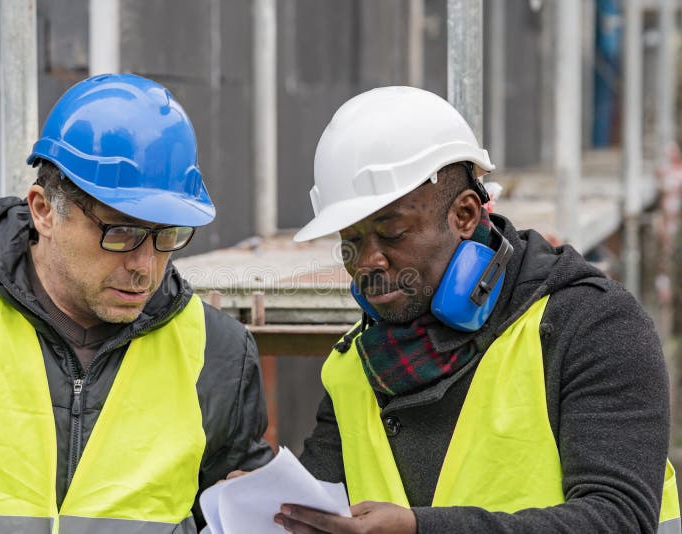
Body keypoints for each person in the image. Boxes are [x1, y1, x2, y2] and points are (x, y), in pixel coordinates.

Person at [277, 86, 680, 533]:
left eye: (392, 233)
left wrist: (421, 530)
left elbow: (618, 518)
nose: (368, 261)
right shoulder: (358, 364)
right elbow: (318, 508)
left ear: (465, 214)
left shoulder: (591, 326)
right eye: (351, 241)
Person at [0, 73, 273, 533]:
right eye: (121, 232)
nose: (145, 266)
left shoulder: (217, 352)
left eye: (167, 235)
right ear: (44, 210)